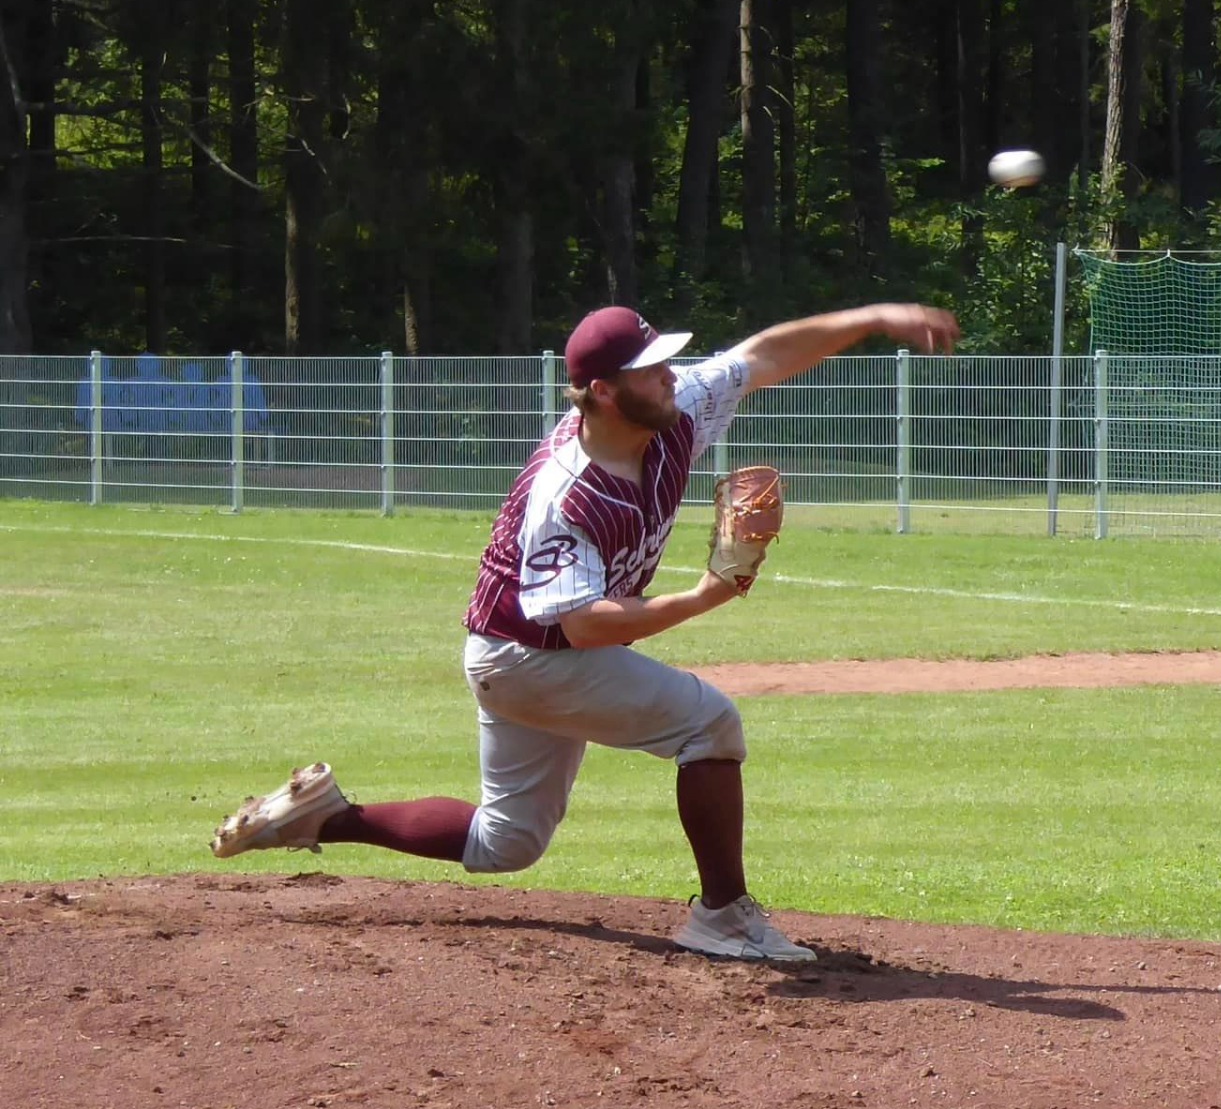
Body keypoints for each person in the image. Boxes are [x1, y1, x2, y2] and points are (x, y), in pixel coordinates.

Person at [211, 301, 963, 961]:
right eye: (651, 369)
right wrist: (706, 596)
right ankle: (724, 918)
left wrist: (874, 319)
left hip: (518, 655)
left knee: (506, 844)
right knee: (710, 726)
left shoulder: (673, 413)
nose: (671, 376)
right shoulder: (567, 494)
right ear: (604, 391)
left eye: (667, 363)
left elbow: (762, 356)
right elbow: (585, 624)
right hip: (530, 659)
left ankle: (328, 818)